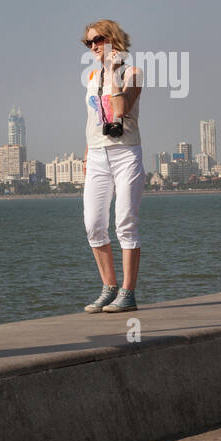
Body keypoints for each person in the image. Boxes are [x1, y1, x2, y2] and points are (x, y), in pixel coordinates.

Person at [80, 20, 145, 313]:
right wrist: (86, 153)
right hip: (96, 155)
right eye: (88, 43)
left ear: (112, 39)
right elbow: (94, 118)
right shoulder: (92, 76)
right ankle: (109, 287)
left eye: (98, 40)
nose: (93, 46)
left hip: (125, 153)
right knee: (93, 224)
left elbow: (120, 110)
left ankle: (127, 293)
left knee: (124, 223)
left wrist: (112, 71)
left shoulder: (132, 73)